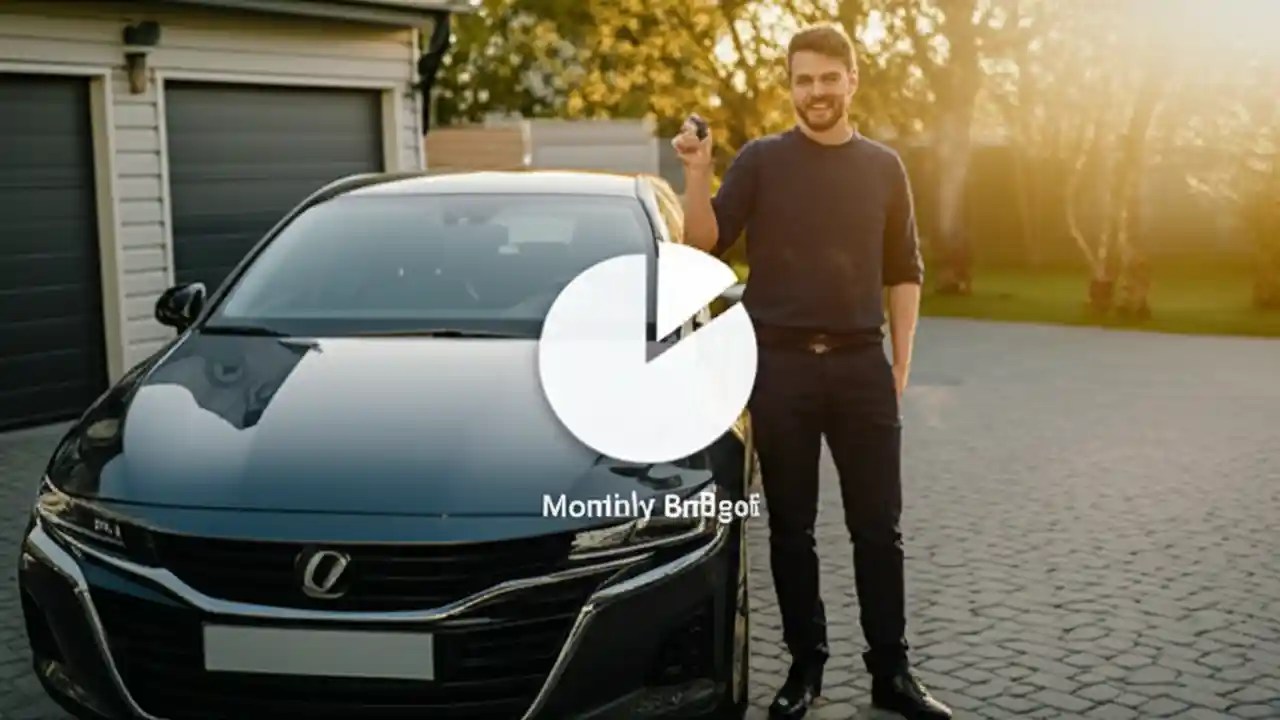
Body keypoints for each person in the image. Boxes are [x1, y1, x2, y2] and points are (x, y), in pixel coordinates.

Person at [671, 23, 952, 720]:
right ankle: (805, 669)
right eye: (804, 80)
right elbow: (705, 244)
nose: (817, 91)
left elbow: (904, 270)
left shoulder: (884, 167)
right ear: (790, 87)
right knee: (791, 531)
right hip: (780, 370)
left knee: (878, 529)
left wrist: (900, 365)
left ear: (851, 80)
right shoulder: (762, 161)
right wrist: (698, 171)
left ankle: (892, 672)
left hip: (860, 368)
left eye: (829, 78)